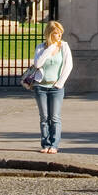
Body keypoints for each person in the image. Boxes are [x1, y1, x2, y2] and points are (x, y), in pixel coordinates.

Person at [30, 21, 73, 154]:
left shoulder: (64, 46)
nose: (59, 36)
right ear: (49, 34)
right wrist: (50, 47)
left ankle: (54, 144)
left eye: (60, 33)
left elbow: (68, 66)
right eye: (56, 33)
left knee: (54, 117)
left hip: (56, 86)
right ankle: (45, 144)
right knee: (44, 117)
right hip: (40, 86)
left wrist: (60, 83)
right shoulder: (41, 48)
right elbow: (37, 64)